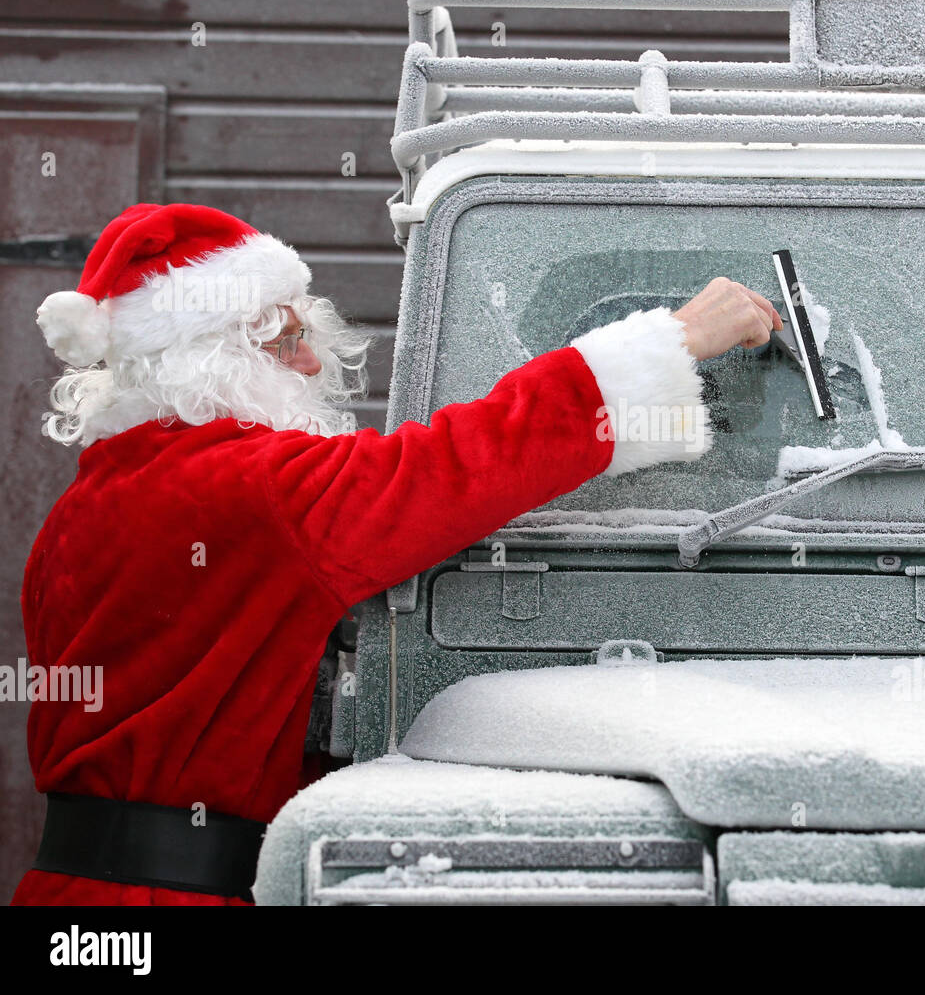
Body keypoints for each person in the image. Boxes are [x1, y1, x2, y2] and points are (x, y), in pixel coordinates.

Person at [11, 202, 781, 906]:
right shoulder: (252, 490)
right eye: (286, 339)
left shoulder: (88, 505)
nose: (311, 364)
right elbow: (452, 466)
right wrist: (671, 343)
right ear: (202, 357)